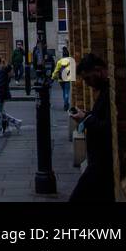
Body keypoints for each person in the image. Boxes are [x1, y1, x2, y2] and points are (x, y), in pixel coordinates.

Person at [68, 54, 114, 203]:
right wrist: (86, 115)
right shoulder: (105, 91)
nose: (87, 84)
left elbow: (108, 127)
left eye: (88, 78)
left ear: (98, 70)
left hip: (103, 164)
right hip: (98, 163)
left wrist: (85, 118)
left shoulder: (110, 93)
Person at [0, 53, 22, 135]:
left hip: (0, 95)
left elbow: (1, 84)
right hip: (2, 94)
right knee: (0, 112)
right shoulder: (1, 68)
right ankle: (16, 122)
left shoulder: (1, 70)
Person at [52, 46, 72, 110]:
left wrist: (53, 77)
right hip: (67, 79)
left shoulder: (60, 62)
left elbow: (56, 71)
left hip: (61, 79)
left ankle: (65, 103)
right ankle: (66, 102)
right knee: (67, 91)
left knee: (64, 91)